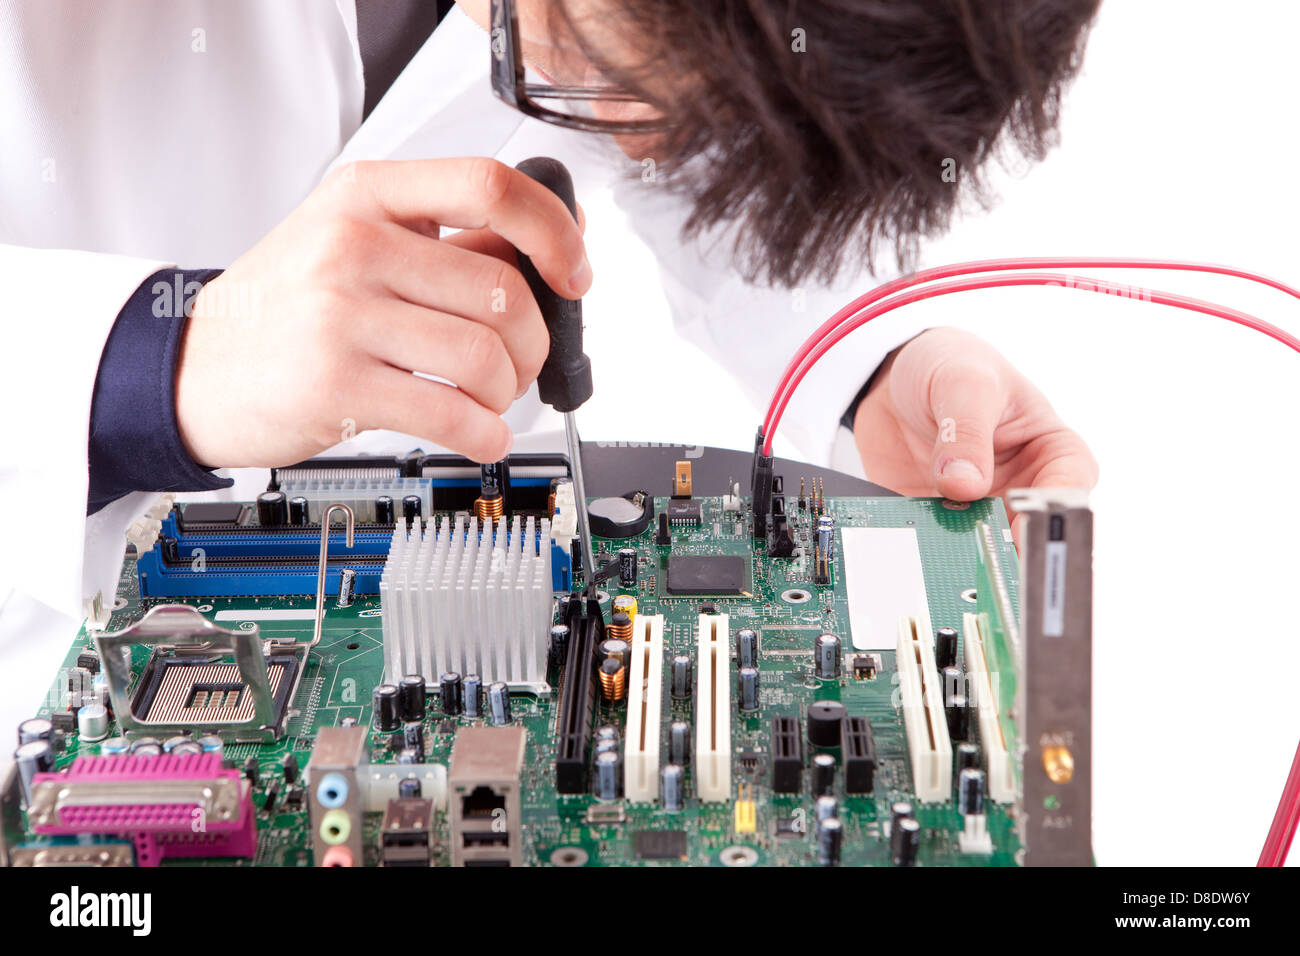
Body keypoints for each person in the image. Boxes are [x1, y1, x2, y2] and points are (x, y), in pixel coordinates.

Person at [0, 0, 1099, 683]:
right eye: (576, 68)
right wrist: (147, 367)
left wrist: (868, 364)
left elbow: (709, 83)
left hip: (466, 634)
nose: (629, 140)